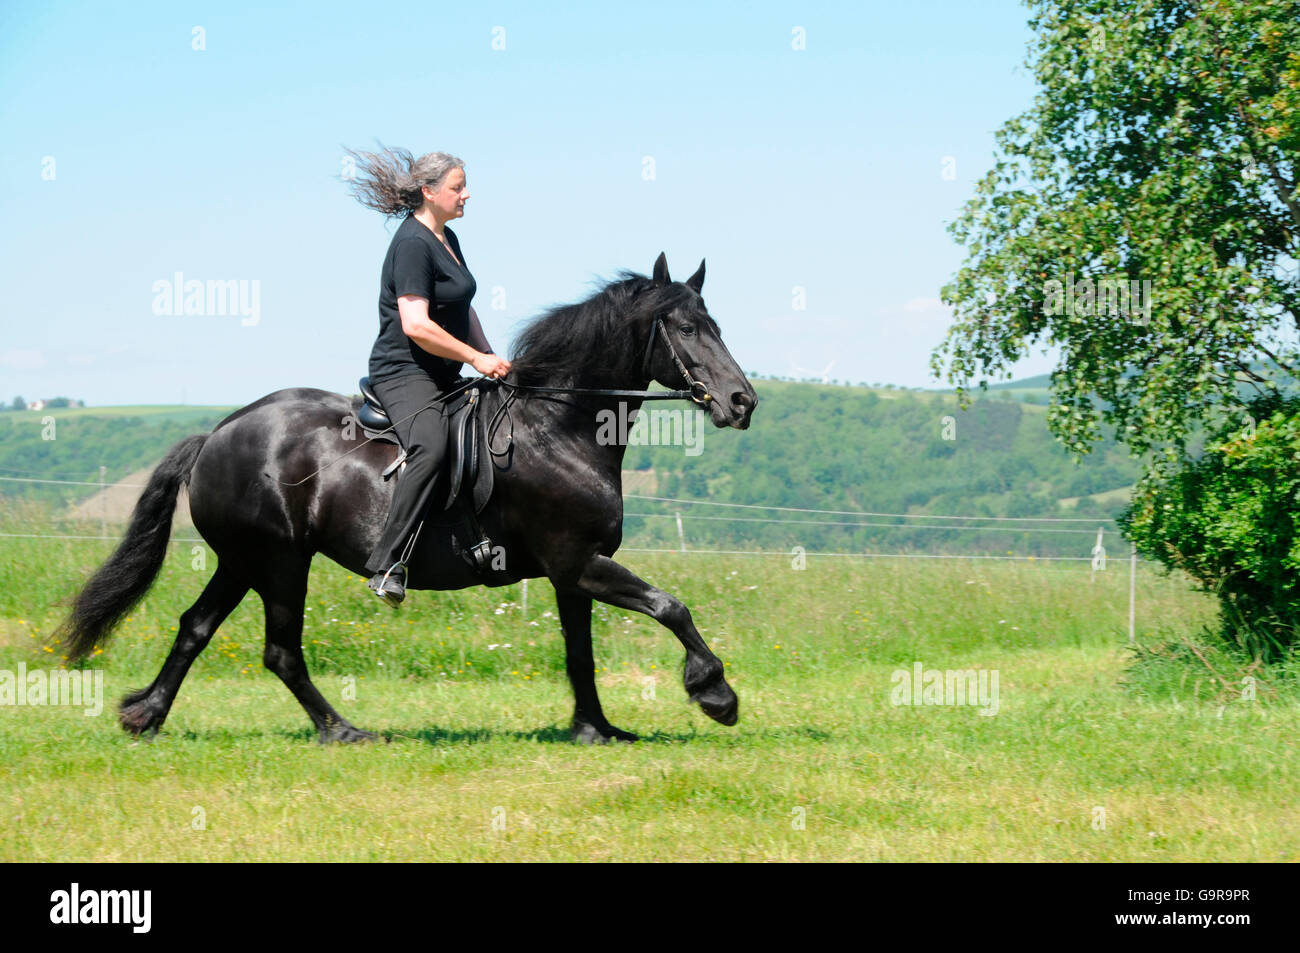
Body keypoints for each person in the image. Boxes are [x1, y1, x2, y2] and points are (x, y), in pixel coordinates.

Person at [346, 146, 511, 606]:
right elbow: (416, 326)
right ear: (429, 191)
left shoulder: (446, 239)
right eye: (458, 188)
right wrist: (475, 360)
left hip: (442, 368)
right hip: (404, 370)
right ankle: (387, 562)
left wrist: (489, 354)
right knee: (432, 444)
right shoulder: (412, 245)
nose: (467, 195)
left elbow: (462, 306)